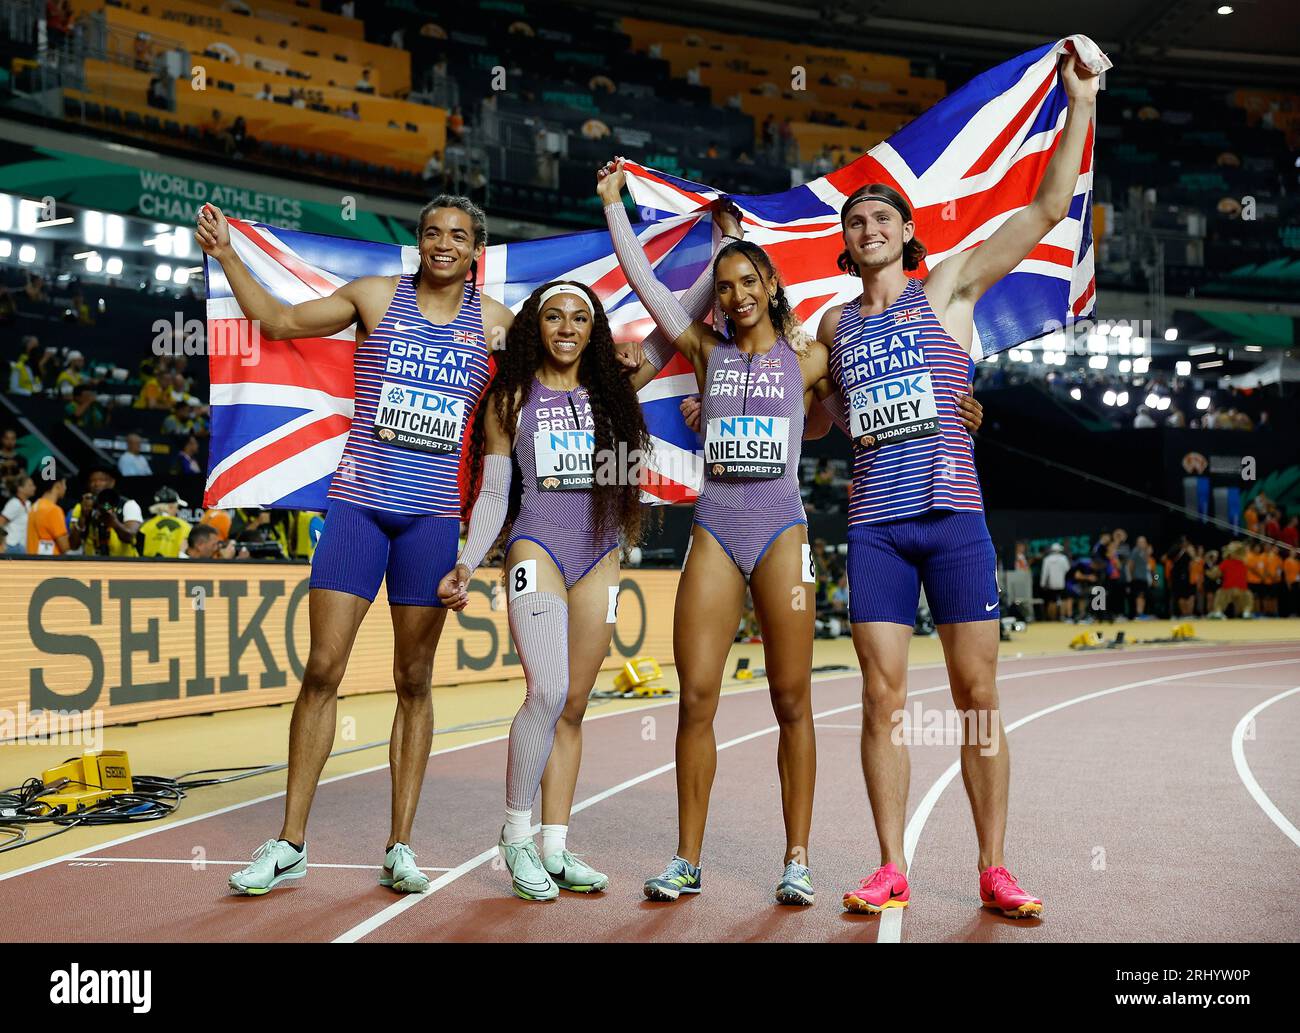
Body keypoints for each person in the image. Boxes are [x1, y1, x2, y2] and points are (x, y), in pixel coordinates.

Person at [199, 194, 610, 897]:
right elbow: (282, 322)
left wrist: (626, 358)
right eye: (432, 232)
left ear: (475, 250)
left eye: (457, 235)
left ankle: (400, 846)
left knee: (413, 681)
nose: (443, 243)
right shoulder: (374, 295)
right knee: (322, 669)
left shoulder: (498, 325)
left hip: (430, 523)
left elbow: (567, 357)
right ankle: (291, 841)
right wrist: (229, 255)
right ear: (419, 241)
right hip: (357, 506)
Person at [602, 158, 983, 906]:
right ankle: (686, 859)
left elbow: (877, 398)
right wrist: (620, 205)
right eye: (727, 285)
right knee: (697, 698)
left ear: (771, 289)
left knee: (792, 700)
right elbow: (649, 286)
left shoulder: (808, 355)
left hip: (783, 531)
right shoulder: (705, 355)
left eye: (752, 283)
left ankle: (797, 857)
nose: (738, 295)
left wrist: (966, 406)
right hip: (714, 527)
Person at [824, 49, 1101, 920]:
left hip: (953, 519)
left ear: (906, 235)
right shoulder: (831, 325)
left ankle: (992, 866)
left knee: (976, 696)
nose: (868, 223)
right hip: (874, 525)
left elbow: (1049, 207)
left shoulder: (948, 287)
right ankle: (890, 864)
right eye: (856, 216)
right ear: (846, 239)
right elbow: (816, 408)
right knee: (881, 696)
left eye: (881, 215)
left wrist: (1080, 100)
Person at [442, 279, 650, 901]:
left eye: (579, 319)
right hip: (538, 547)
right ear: (537, 326)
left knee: (575, 704)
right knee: (548, 690)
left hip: (600, 554)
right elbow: (493, 495)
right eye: (553, 317)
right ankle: (515, 834)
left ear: (594, 331)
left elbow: (678, 328)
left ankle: (556, 849)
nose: (566, 328)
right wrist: (467, 564)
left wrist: (719, 238)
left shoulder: (612, 392)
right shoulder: (511, 397)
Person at [70, 466, 142, 557]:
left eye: (102, 480)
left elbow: (129, 536)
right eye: (92, 481)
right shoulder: (82, 507)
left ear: (112, 482)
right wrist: (82, 517)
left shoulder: (128, 505)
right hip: (92, 565)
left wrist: (113, 521)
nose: (96, 484)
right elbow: (73, 546)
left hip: (123, 564)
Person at [137, 487, 192, 558]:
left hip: (148, 566)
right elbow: (184, 552)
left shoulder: (145, 526)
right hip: (174, 566)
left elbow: (139, 551)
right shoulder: (185, 526)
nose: (177, 510)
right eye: (177, 507)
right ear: (170, 507)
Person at [27, 472, 72, 555]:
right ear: (58, 485)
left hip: (33, 561)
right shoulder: (53, 510)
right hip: (50, 563)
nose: (65, 488)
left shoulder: (35, 506)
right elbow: (65, 547)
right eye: (64, 484)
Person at [1, 474, 35, 554]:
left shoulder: (28, 504)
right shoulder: (14, 504)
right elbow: (0, 522)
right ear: (20, 488)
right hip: (11, 546)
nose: (34, 487)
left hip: (22, 547)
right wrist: (3, 545)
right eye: (30, 485)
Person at [1039, 542, 1070, 621]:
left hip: (1051, 584)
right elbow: (1067, 569)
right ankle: (1062, 617)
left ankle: (1053, 618)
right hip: (1061, 583)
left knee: (1052, 601)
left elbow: (1044, 573)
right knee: (1063, 600)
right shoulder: (1063, 558)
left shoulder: (1047, 559)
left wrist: (1042, 584)